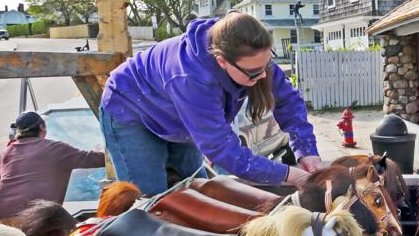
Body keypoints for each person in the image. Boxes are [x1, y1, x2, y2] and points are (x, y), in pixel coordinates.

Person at [100, 12, 322, 195]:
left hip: (177, 116)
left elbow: (288, 101)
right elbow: (223, 149)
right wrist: (290, 175)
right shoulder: (191, 78)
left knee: (198, 192)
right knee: (150, 199)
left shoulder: (247, 54)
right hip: (131, 110)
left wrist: (307, 150)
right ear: (222, 62)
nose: (264, 75)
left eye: (267, 64)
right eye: (254, 72)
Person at [0, 111, 105, 222]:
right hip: (33, 213)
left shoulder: (7, 151)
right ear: (42, 127)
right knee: (68, 229)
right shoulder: (56, 148)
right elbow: (94, 159)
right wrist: (103, 152)